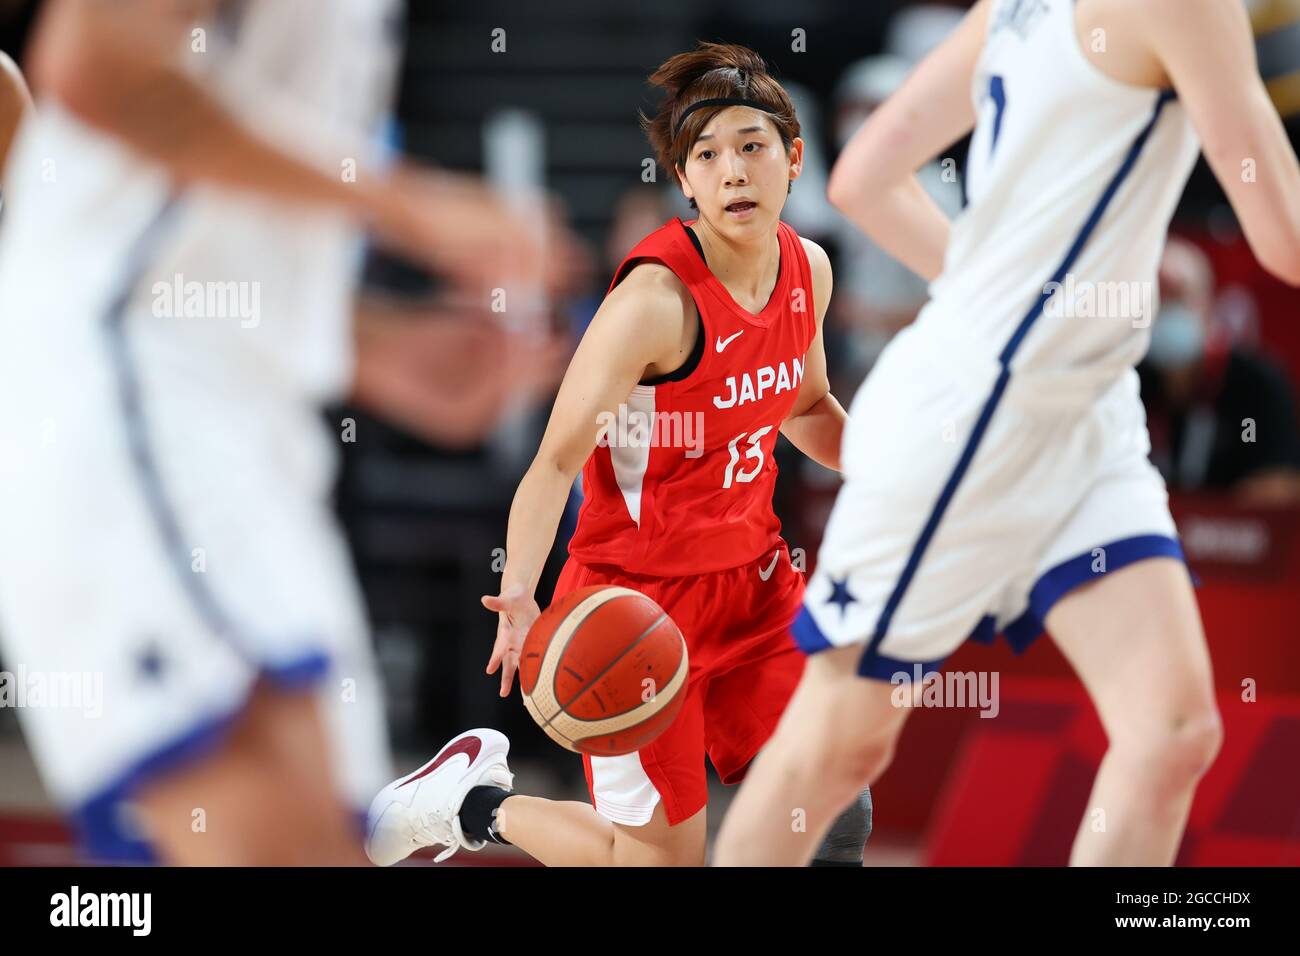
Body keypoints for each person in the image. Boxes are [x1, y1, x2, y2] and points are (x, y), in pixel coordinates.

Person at [715, 0, 1300, 866]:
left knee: (1172, 733)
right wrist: (1002, 307)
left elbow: (864, 177)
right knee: (838, 744)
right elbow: (1285, 234)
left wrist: (1002, 287)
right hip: (981, 408)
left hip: (1088, 409)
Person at [0, 0, 556, 865]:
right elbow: (93, 65)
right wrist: (409, 203)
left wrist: (367, 346)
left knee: (321, 839)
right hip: (133, 400)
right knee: (269, 834)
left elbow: (190, 231)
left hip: (243, 421)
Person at [366, 42, 873, 867]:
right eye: (706, 156)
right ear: (685, 181)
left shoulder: (806, 271)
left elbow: (807, 407)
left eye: (751, 146)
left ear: (793, 157)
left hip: (754, 589)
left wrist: (905, 469)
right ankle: (467, 805)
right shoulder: (653, 303)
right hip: (636, 604)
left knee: (829, 813)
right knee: (651, 862)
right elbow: (556, 461)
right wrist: (522, 594)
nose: (733, 172)